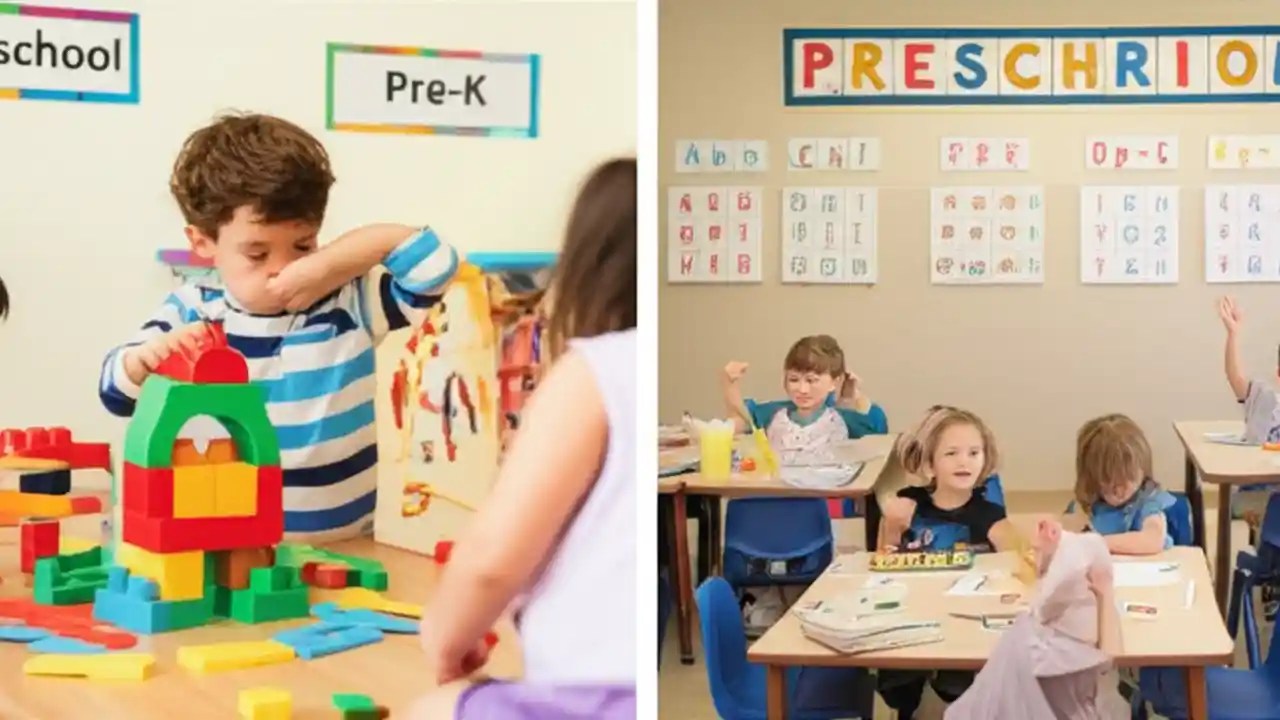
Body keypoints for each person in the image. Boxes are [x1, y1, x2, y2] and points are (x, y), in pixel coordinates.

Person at [96, 112, 460, 541]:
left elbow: (435, 265)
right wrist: (143, 361)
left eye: (302, 246)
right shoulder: (193, 311)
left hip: (349, 545)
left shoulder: (349, 303)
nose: (285, 269)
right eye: (257, 254)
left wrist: (326, 266)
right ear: (203, 243)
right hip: (237, 549)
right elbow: (115, 394)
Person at [409, 158, 636, 720]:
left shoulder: (594, 370)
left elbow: (490, 558)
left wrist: (445, 636)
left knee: (428, 709)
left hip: (595, 698)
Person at [877, 405, 1019, 718]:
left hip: (964, 619)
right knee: (898, 686)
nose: (964, 462)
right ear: (930, 463)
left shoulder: (990, 515)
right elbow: (881, 565)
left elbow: (1017, 570)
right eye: (952, 453)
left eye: (973, 453)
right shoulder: (908, 503)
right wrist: (892, 527)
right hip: (912, 614)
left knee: (961, 685)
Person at [721, 335, 886, 456]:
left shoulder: (842, 417)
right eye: (794, 379)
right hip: (778, 488)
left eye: (811, 380)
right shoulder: (774, 414)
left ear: (834, 382)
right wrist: (730, 385)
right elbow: (736, 424)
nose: (802, 389)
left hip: (827, 490)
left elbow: (878, 434)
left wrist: (852, 397)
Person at [1069, 414, 1174, 555]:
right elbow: (1066, 535)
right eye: (1109, 483)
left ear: (1143, 471)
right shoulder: (1088, 504)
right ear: (1091, 478)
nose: (1120, 490)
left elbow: (1153, 540)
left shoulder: (1149, 501)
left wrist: (1098, 543)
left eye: (1130, 478)